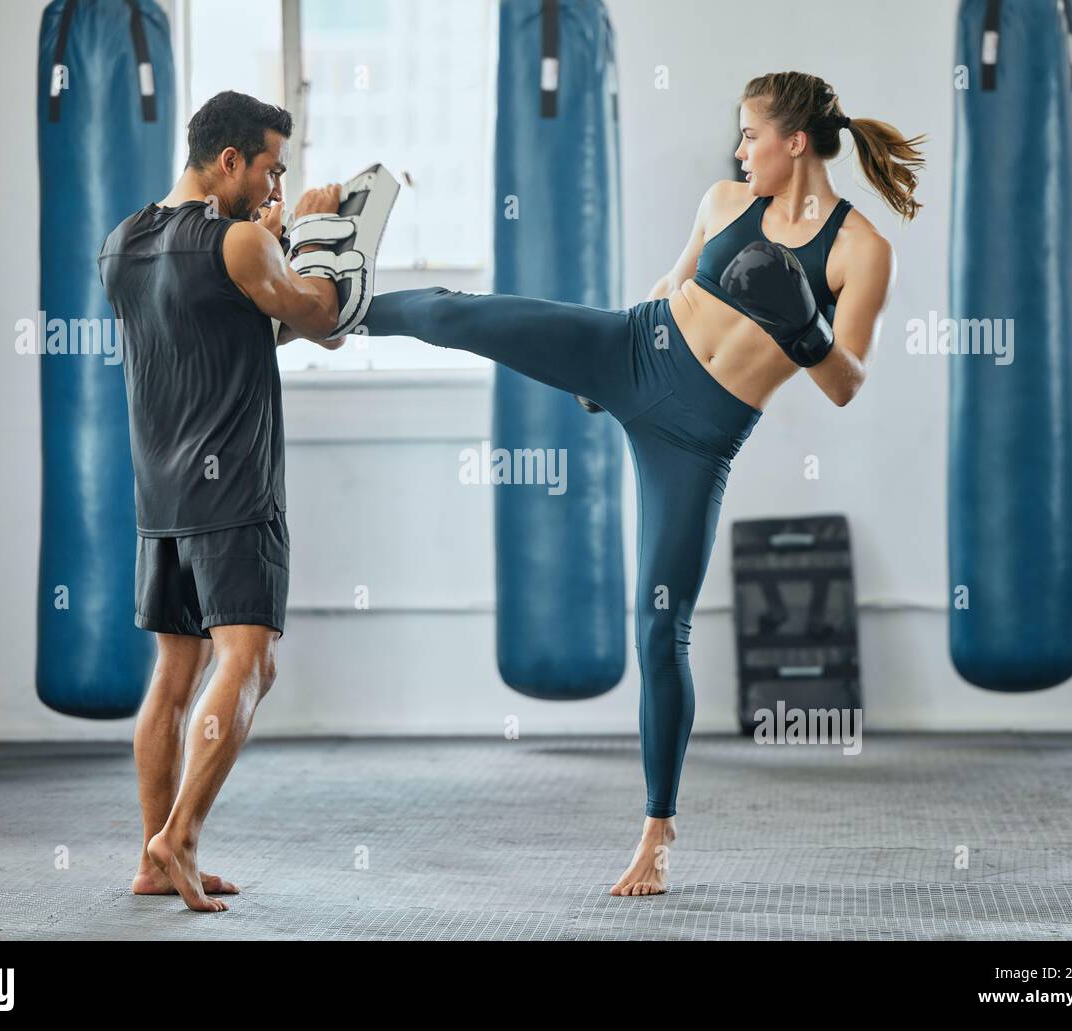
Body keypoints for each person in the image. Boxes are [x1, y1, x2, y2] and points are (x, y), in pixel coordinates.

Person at [356, 72, 923, 896]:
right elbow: (670, 286)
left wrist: (804, 328)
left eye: (749, 134)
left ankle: (657, 834)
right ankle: (318, 306)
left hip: (696, 438)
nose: (737, 149)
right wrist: (597, 369)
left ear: (793, 142)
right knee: (462, 316)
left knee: (661, 628)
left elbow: (846, 382)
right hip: (634, 349)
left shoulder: (861, 250)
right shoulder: (723, 200)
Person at [98, 90, 361, 912]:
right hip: (236, 486)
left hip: (162, 493)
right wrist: (320, 230)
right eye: (271, 169)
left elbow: (215, 316)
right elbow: (324, 319)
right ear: (229, 163)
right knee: (250, 661)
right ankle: (177, 836)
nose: (277, 185)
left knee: (174, 675)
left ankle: (151, 858)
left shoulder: (123, 242)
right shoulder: (244, 241)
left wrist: (272, 242)